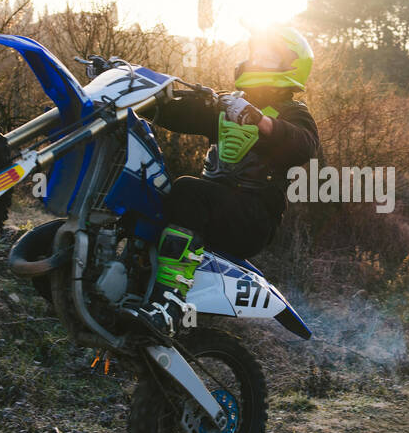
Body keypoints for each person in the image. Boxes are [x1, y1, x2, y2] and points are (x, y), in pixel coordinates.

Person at [125, 25, 320, 336]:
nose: (258, 59)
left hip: (252, 219)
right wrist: (130, 89)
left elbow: (305, 146)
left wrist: (260, 122)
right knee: (150, 189)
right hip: (217, 209)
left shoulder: (293, 112)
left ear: (291, 64)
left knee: (187, 190)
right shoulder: (231, 104)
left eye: (268, 55)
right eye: (256, 53)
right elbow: (179, 112)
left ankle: (169, 305)